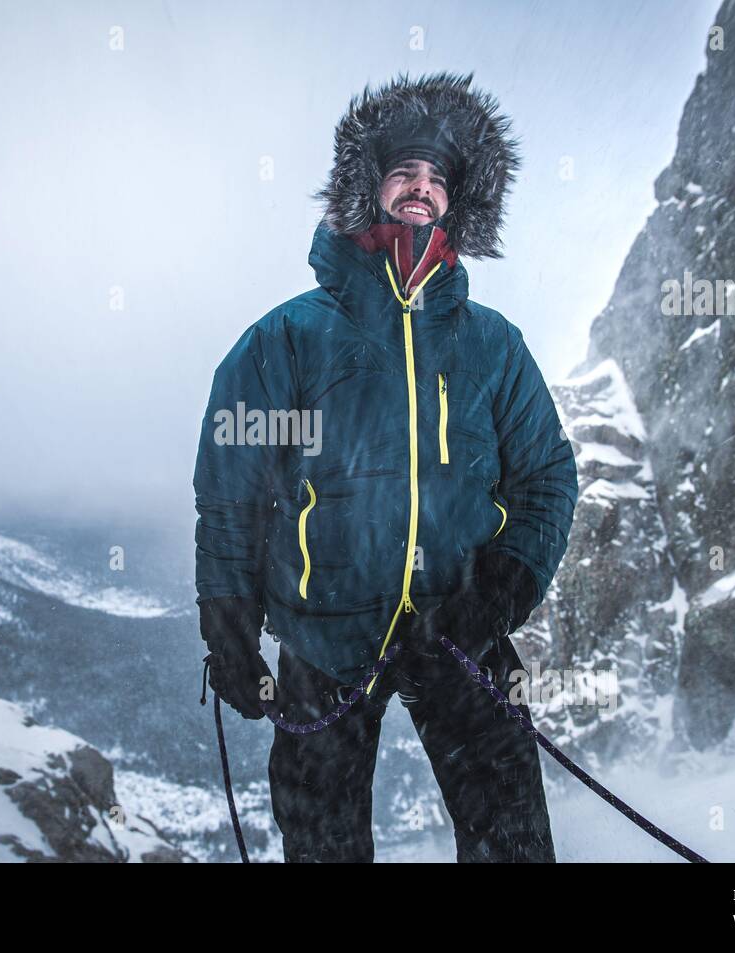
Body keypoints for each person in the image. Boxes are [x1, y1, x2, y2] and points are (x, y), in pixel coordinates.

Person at [193, 71, 578, 862]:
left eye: (439, 178)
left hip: (462, 633)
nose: (421, 188)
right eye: (404, 170)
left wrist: (501, 588)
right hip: (324, 639)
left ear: (458, 202)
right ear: (368, 186)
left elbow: (546, 476)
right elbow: (231, 490)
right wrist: (229, 623)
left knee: (515, 846)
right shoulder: (288, 338)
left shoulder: (492, 345)